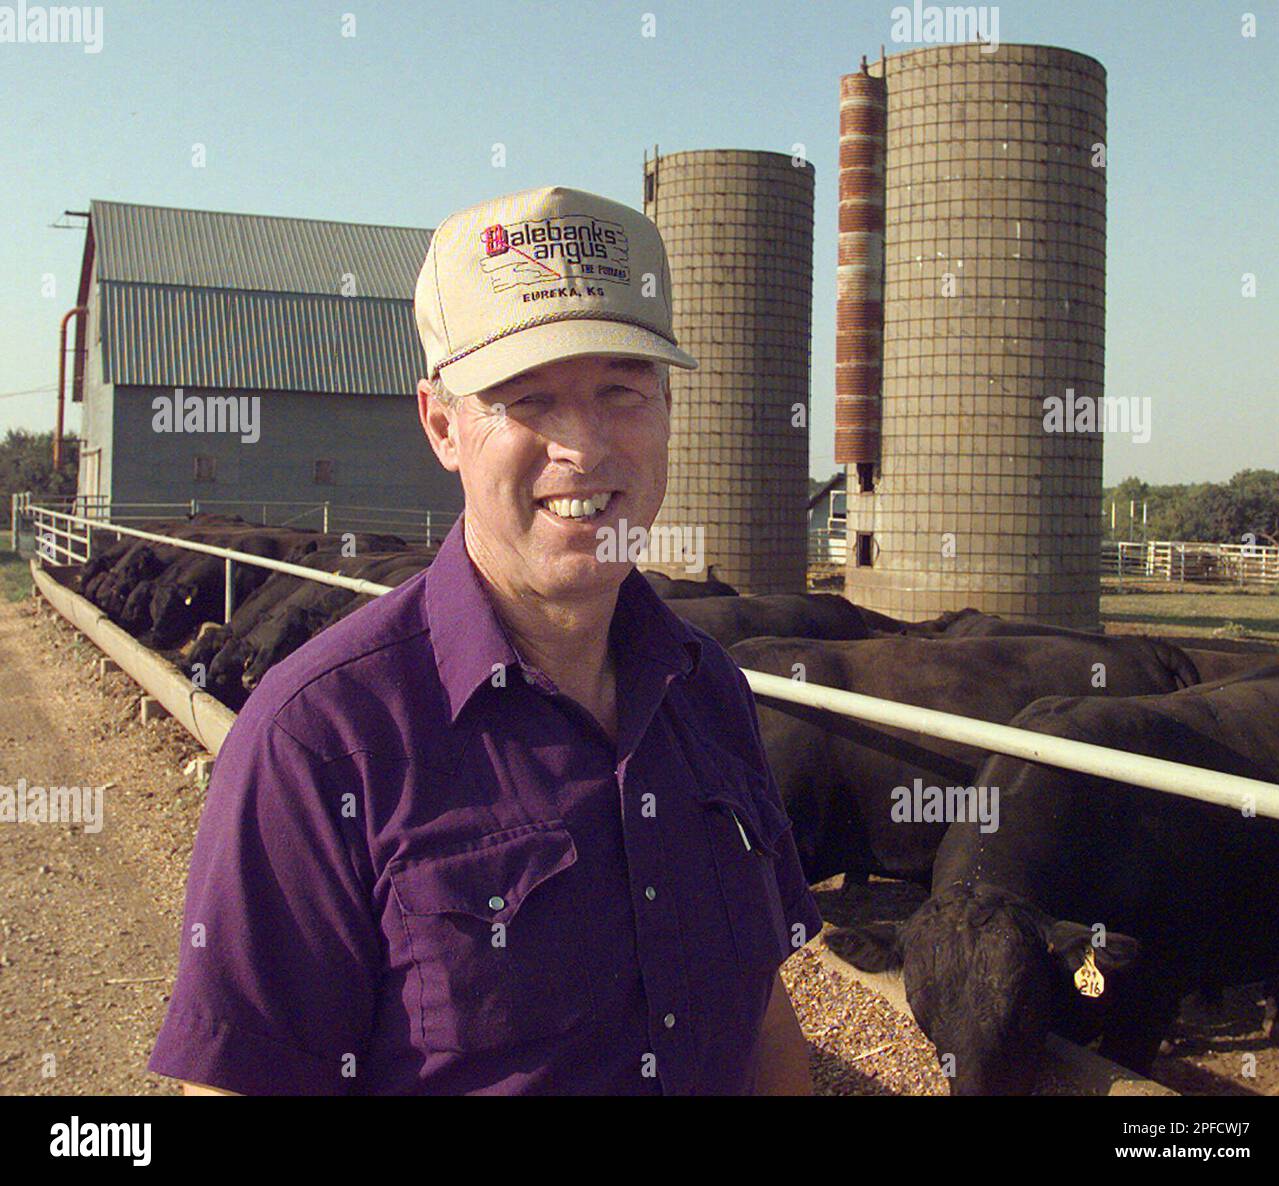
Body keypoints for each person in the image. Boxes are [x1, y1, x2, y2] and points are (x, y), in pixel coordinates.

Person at [147, 184, 822, 1095]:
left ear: (666, 410)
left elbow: (764, 1019)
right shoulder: (320, 742)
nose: (583, 447)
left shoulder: (709, 692)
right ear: (442, 424)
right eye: (528, 398)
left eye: (622, 390)